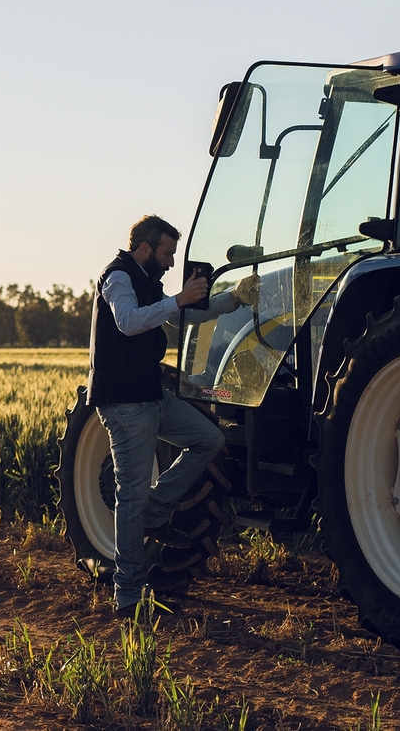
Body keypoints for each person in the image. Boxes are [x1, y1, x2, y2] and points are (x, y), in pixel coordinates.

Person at [87, 214, 258, 616]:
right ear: (144, 248)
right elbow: (128, 322)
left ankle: (155, 507)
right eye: (166, 253)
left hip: (152, 395)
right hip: (125, 403)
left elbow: (178, 316)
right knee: (129, 496)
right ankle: (128, 594)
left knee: (208, 439)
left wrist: (231, 298)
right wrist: (178, 299)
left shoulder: (148, 282)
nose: (170, 261)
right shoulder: (117, 278)